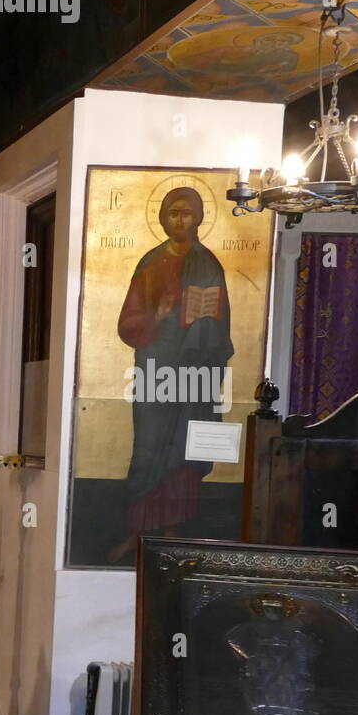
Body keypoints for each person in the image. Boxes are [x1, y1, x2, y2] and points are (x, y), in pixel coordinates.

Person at [107, 186, 234, 565]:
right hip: (157, 369)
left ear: (198, 218)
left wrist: (207, 318)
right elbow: (128, 324)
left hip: (195, 371)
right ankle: (138, 534)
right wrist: (158, 315)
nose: (180, 221)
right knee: (147, 449)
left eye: (187, 214)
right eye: (174, 213)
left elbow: (223, 325)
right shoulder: (150, 264)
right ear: (163, 217)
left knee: (183, 450)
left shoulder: (209, 264)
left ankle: (174, 536)